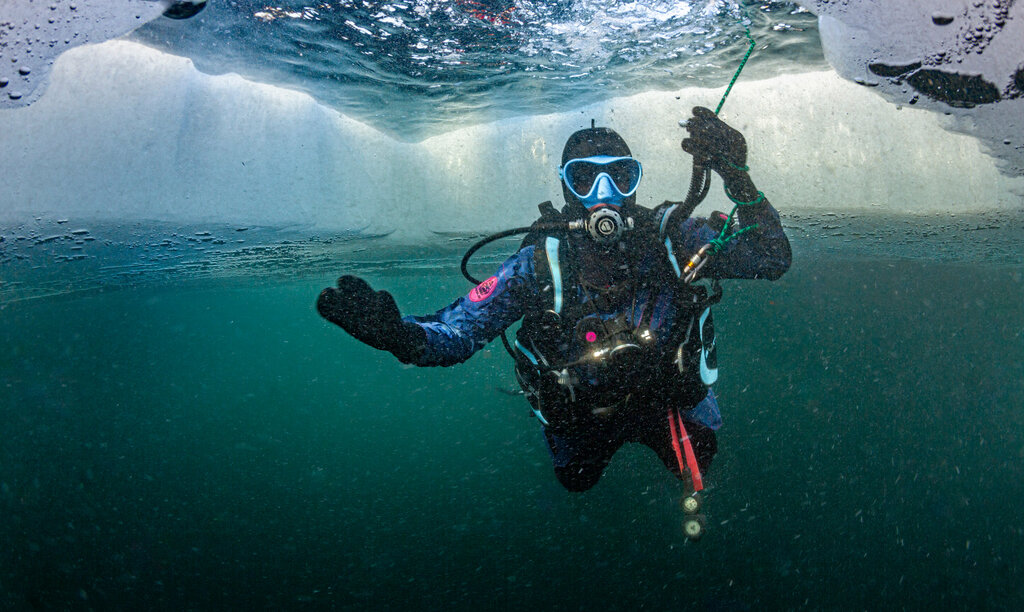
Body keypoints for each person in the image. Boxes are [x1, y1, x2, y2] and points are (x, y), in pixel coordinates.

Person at [317, 107, 791, 494]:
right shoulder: (539, 264)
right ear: (566, 186)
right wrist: (400, 337)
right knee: (576, 480)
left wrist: (737, 175)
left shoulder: (671, 237)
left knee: (703, 460)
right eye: (585, 178)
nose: (604, 195)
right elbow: (459, 331)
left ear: (634, 182)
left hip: (666, 398)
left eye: (619, 176)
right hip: (583, 412)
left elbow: (771, 258)